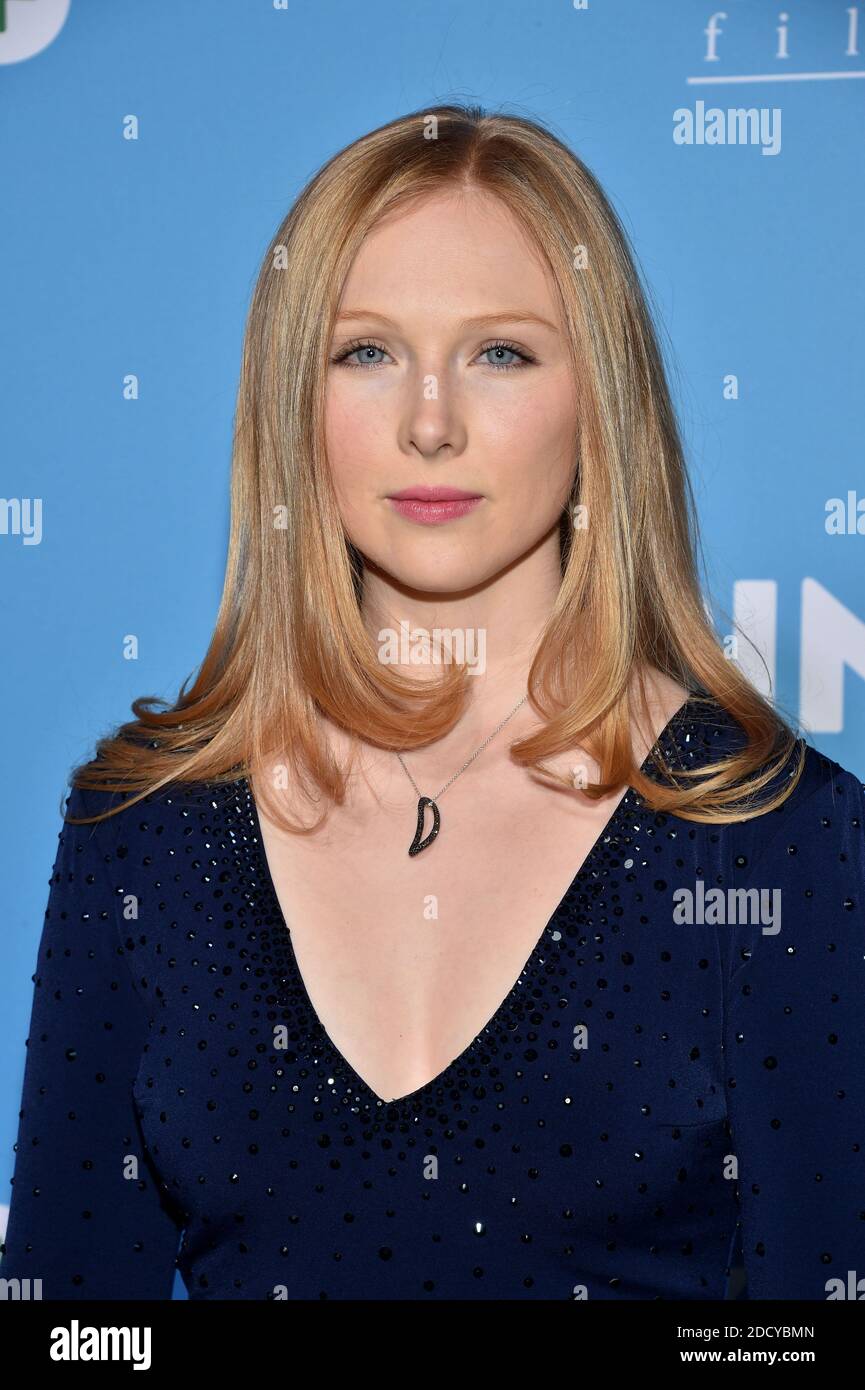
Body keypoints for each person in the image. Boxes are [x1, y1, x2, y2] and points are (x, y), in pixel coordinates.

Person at [3, 103, 863, 1301]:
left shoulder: (777, 836)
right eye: (366, 352)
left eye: (499, 353)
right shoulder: (142, 828)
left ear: (597, 399)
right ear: (292, 402)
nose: (428, 423)